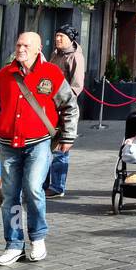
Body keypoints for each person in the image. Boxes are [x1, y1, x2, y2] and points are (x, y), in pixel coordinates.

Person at [0, 31, 79, 266]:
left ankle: (37, 238)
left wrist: (67, 136)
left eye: (26, 45)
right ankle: (14, 245)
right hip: (9, 146)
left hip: (39, 143)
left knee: (34, 189)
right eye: (18, 44)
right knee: (10, 196)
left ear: (38, 49)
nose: (20, 48)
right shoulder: (5, 75)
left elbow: (69, 105)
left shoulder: (51, 74)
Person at [46, 24, 85, 198]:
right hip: (48, 106)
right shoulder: (55, 54)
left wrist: (63, 101)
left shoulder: (75, 56)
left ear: (70, 38)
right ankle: (44, 183)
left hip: (64, 108)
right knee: (47, 146)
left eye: (61, 36)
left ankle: (57, 186)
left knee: (62, 148)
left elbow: (77, 86)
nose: (57, 39)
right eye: (56, 36)